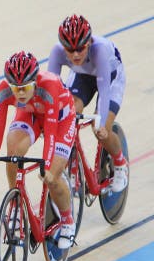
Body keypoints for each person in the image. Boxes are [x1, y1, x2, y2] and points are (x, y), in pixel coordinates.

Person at [0, 51, 77, 249]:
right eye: (16, 88)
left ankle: (67, 222)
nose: (20, 93)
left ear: (35, 82)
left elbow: (50, 133)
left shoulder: (50, 86)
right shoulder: (3, 91)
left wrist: (47, 168)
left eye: (25, 88)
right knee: (13, 149)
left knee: (53, 177)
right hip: (30, 113)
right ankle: (15, 203)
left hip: (60, 118)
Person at [48, 14, 128, 192]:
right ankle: (72, 160)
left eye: (80, 48)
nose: (75, 54)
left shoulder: (100, 50)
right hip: (83, 76)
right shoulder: (57, 52)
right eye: (70, 49)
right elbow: (52, 92)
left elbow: (104, 88)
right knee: (69, 111)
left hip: (110, 78)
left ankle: (120, 162)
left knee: (100, 129)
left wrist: (101, 122)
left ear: (89, 42)